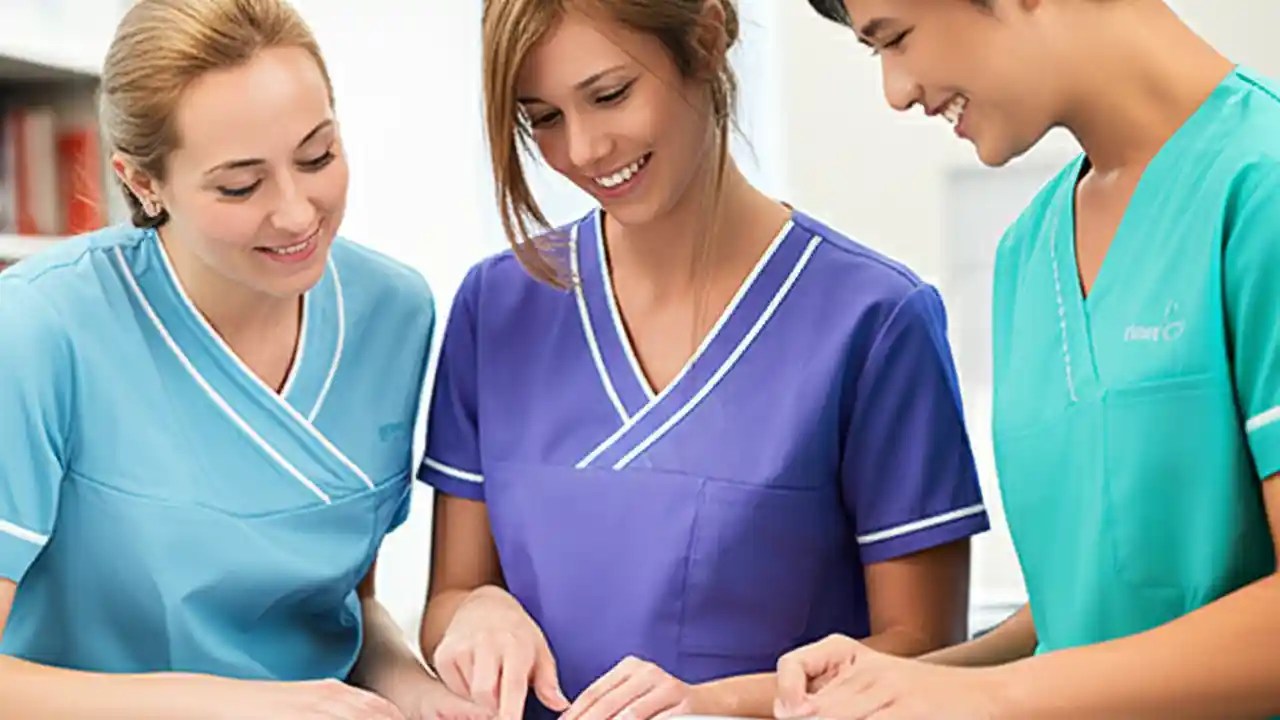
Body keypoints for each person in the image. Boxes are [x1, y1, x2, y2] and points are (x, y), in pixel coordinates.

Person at [416, 2, 991, 720]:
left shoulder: (874, 321)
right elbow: (449, 599)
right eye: (544, 119)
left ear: (709, 37)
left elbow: (926, 651)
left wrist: (713, 705)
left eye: (610, 94)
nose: (584, 149)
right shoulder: (497, 306)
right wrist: (477, 610)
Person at [774, 1, 1280, 718]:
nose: (896, 91)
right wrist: (893, 684)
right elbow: (1090, 611)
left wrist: (991, 695)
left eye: (897, 39)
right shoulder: (1028, 251)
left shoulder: (1261, 188)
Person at [0, 1, 487, 718]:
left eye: (317, 156)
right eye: (239, 185)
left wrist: (416, 692)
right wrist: (239, 705)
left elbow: (345, 611)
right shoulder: (40, 327)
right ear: (143, 182)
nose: (296, 213)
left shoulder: (393, 313)